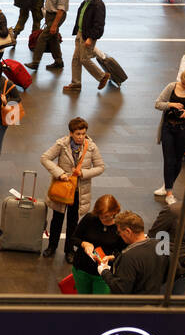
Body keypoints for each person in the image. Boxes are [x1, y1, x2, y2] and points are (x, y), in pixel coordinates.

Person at [41, 117, 106, 261]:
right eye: (78, 134)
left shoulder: (91, 147)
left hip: (79, 191)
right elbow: (45, 158)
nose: (81, 137)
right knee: (57, 220)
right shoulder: (62, 144)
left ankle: (69, 251)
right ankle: (52, 246)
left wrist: (83, 173)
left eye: (83, 134)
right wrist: (60, 173)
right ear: (71, 133)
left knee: (73, 222)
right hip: (63, 189)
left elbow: (101, 167)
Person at [153, 68, 185, 205]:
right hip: (168, 127)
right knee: (168, 159)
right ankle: (169, 192)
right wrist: (171, 104)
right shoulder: (171, 87)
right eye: (183, 83)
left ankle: (168, 185)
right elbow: (157, 104)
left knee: (177, 160)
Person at [97, 211, 169, 294]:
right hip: (154, 299)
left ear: (128, 231)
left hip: (134, 304)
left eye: (119, 232)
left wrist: (104, 271)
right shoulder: (161, 245)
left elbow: (120, 289)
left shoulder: (128, 256)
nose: (119, 235)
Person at [71, 195, 125, 294]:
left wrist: (111, 257)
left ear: (115, 211)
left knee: (100, 305)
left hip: (104, 274)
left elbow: (124, 252)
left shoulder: (120, 225)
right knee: (82, 303)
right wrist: (84, 244)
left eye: (107, 216)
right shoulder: (90, 218)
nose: (103, 219)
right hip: (82, 269)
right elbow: (74, 238)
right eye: (100, 216)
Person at [65, 0, 108, 93]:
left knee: (84, 59)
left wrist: (91, 38)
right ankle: (76, 83)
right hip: (81, 33)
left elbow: (99, 24)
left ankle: (102, 76)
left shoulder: (97, 4)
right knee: (76, 59)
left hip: (87, 36)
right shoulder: (87, 1)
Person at [27, 0, 68, 72]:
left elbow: (61, 10)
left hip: (57, 16)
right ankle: (59, 62)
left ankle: (35, 62)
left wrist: (54, 25)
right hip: (49, 15)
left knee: (42, 38)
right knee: (53, 39)